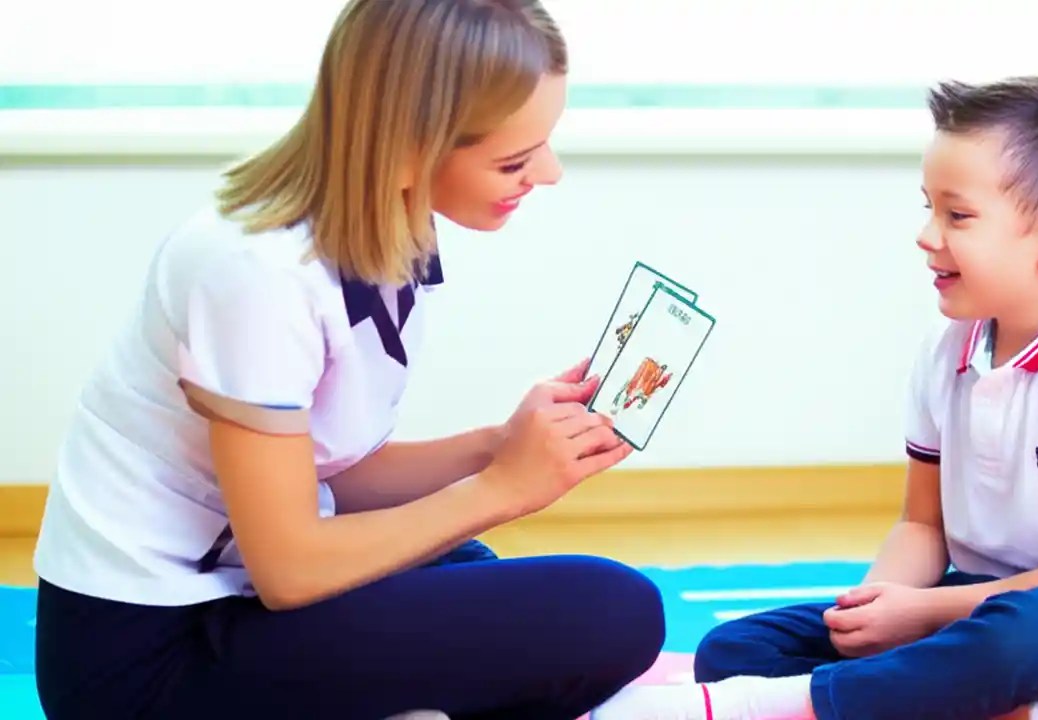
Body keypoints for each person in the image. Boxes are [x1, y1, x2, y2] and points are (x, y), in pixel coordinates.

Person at [31, 1, 666, 718]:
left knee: (475, 576)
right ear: (406, 149)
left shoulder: (384, 225)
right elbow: (291, 569)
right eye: (514, 159)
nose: (546, 174)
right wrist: (503, 489)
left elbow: (326, 470)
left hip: (238, 594)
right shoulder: (255, 272)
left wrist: (498, 447)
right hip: (149, 656)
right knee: (610, 609)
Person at [591, 76, 1038, 720]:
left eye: (957, 215)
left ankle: (791, 706)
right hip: (963, 608)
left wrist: (925, 611)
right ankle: (958, 703)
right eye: (928, 207)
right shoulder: (949, 347)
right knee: (736, 648)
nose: (926, 234)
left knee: (1032, 626)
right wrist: (878, 605)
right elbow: (922, 524)